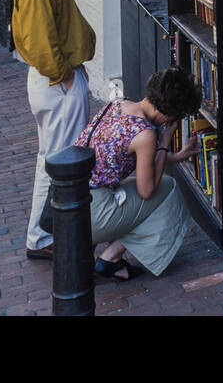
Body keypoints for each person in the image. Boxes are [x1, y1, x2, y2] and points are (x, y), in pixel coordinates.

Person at [13, 0, 101, 260]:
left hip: (57, 80)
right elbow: (40, 42)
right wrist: (65, 77)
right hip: (57, 82)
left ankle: (45, 234)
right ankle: (44, 236)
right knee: (62, 163)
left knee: (53, 160)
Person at [76, 65, 201, 279]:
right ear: (170, 116)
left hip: (74, 200)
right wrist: (166, 140)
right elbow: (147, 191)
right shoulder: (145, 134)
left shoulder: (118, 104)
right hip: (93, 213)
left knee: (148, 187)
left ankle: (101, 252)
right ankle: (111, 258)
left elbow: (122, 156)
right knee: (168, 189)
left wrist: (175, 156)